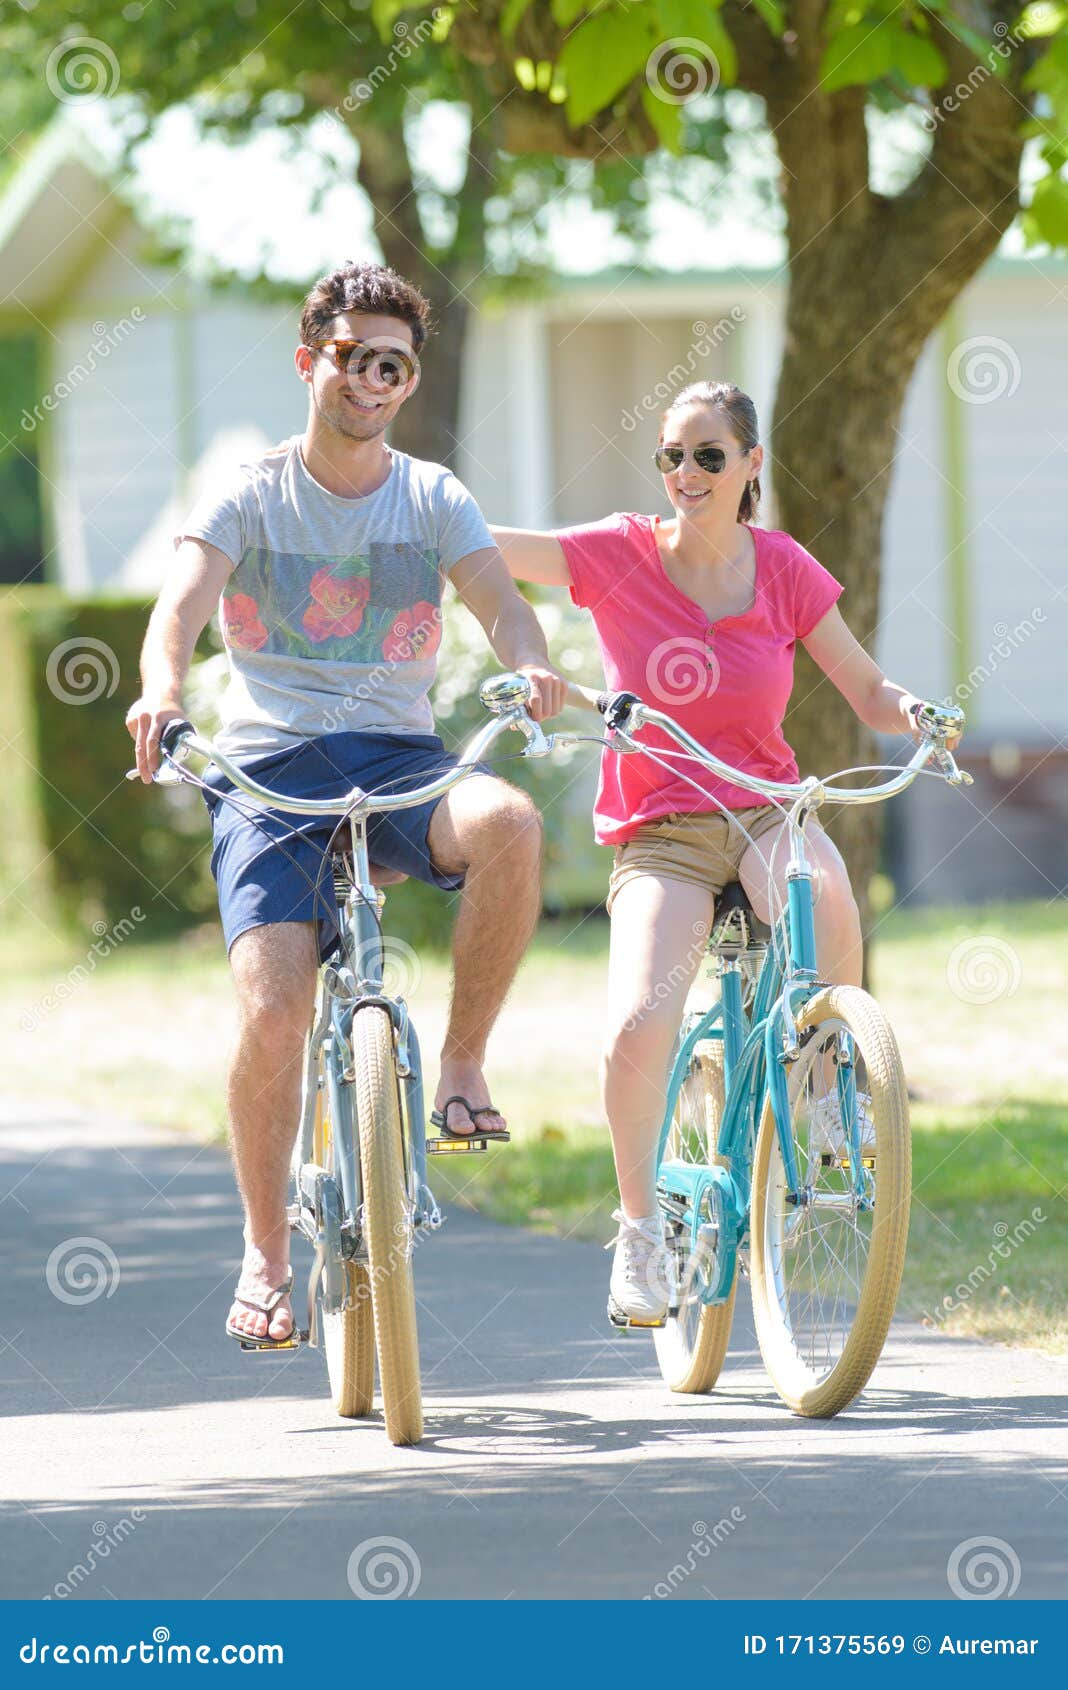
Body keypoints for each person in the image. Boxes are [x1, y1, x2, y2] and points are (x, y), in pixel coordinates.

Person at [126, 260, 567, 1348]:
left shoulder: (433, 497)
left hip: (401, 760)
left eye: (393, 365)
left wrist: (529, 663)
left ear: (408, 379)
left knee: (509, 823)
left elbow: (502, 604)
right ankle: (266, 1252)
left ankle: (460, 1064)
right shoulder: (249, 491)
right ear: (307, 362)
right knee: (275, 1011)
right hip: (270, 772)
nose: (371, 379)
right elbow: (179, 609)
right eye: (351, 357)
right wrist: (160, 692)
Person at [491, 378, 960, 1326]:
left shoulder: (783, 567)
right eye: (672, 455)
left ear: (752, 464)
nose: (687, 472)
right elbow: (492, 549)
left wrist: (917, 713)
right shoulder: (620, 552)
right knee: (637, 1025)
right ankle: (637, 1234)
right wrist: (403, 499)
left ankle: (826, 1094)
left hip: (763, 810)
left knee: (825, 891)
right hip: (661, 829)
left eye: (709, 455)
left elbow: (868, 691)